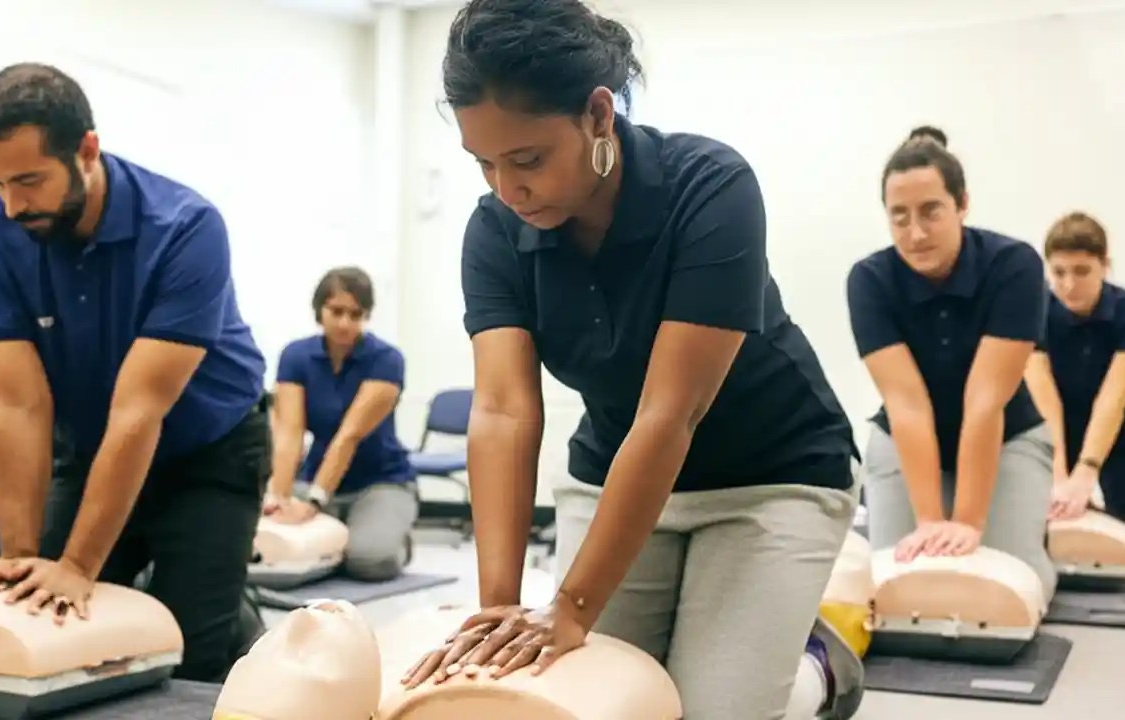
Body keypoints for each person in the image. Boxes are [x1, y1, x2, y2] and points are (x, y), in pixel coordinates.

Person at [401, 2, 862, 717]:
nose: (506, 189)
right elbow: (501, 411)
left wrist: (575, 603)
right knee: (590, 698)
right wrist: (498, 609)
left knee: (713, 709)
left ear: (597, 114)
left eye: (527, 160)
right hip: (615, 474)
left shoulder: (709, 186)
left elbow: (670, 411)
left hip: (774, 477)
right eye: (484, 163)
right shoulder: (495, 229)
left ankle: (819, 664)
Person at [0, 62, 269, 683]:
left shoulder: (186, 227)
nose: (11, 204)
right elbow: (17, 403)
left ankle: (230, 614)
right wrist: (18, 555)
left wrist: (80, 566)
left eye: (29, 180)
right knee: (42, 617)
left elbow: (140, 410)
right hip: (90, 447)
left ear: (86, 150)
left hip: (208, 452)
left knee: (186, 658)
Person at [846, 128, 1057, 601]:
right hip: (906, 436)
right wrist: (930, 522)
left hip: (1008, 436)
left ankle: (1034, 548)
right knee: (897, 580)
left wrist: (966, 523)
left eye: (930, 212)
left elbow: (985, 401)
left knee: (1010, 583)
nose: (915, 233)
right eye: (899, 217)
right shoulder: (869, 280)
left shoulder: (1015, 266)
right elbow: (907, 405)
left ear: (962, 204)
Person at [266, 267, 418, 581]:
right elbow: (289, 434)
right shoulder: (295, 356)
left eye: (355, 313)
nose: (345, 323)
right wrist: (278, 498)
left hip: (381, 483)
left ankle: (393, 539)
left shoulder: (387, 360)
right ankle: (338, 536)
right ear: (319, 310)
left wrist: (314, 501)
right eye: (336, 311)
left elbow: (348, 437)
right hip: (316, 478)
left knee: (369, 562)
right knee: (274, 546)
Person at [1025, 212, 1125, 522]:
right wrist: (1057, 476)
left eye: (1082, 271)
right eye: (1059, 272)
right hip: (1058, 427)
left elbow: (1115, 396)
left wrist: (1087, 470)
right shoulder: (1034, 312)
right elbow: (1045, 400)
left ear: (1105, 266)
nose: (1069, 284)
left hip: (1121, 431)